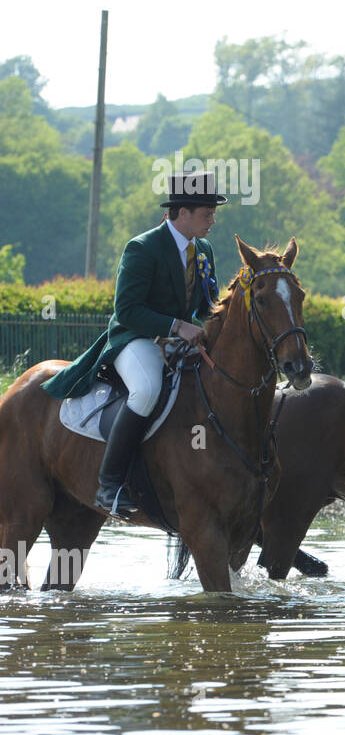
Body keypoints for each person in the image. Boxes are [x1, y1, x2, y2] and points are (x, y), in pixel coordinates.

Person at [42, 170, 224, 516]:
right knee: (146, 389)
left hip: (177, 340)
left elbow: (205, 305)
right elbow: (126, 310)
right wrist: (176, 325)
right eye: (207, 213)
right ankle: (109, 484)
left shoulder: (203, 250)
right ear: (182, 212)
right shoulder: (143, 247)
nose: (212, 220)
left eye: (213, 213)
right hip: (136, 338)